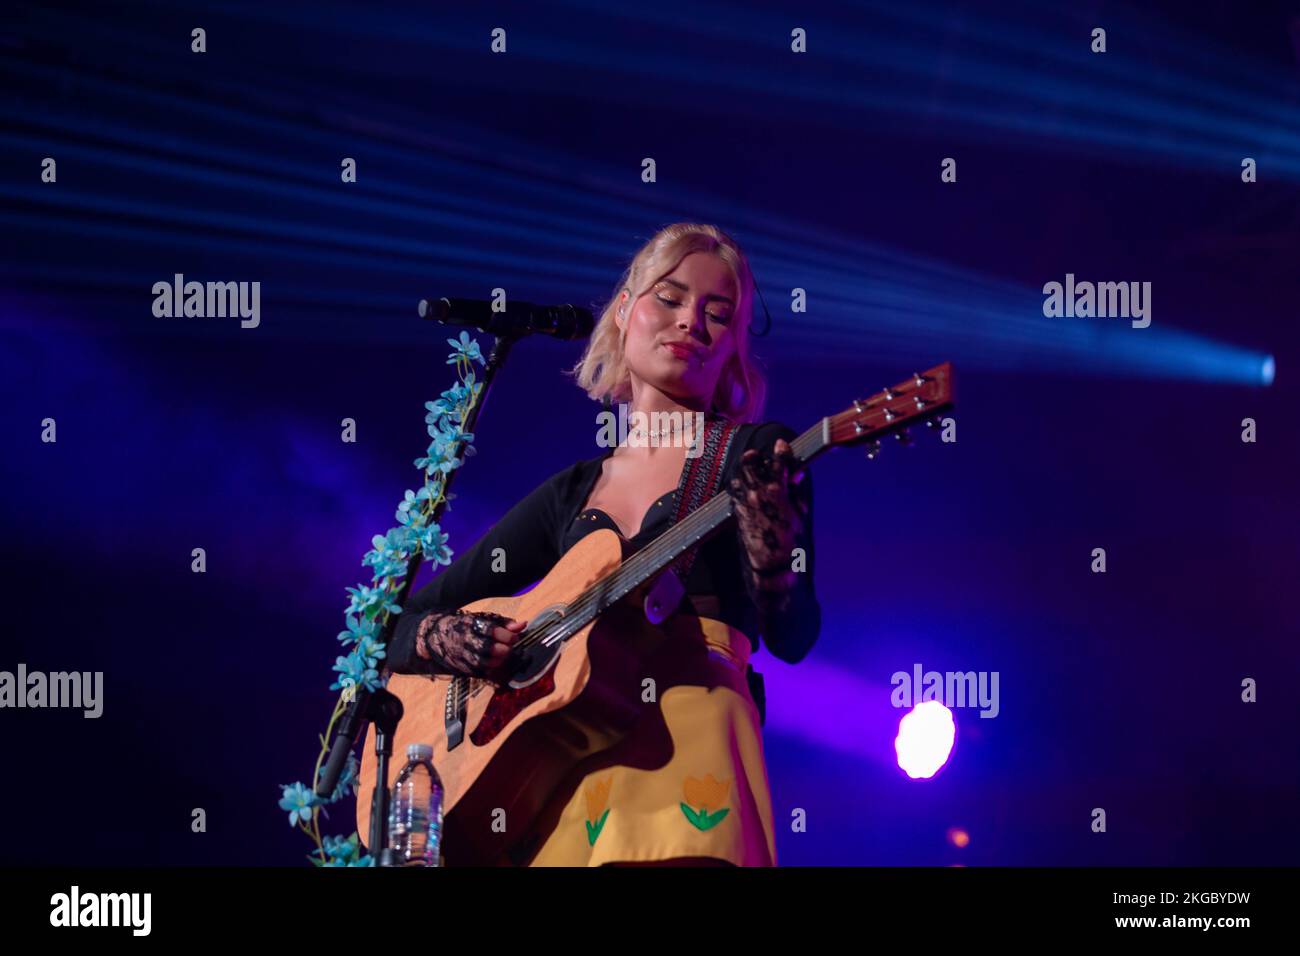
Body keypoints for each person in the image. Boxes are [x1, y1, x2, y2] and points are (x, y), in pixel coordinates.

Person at [386, 222, 821, 865]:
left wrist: (773, 554)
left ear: (732, 348)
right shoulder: (571, 492)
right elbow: (398, 625)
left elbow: (794, 637)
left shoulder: (753, 454)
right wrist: (457, 640)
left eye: (718, 315)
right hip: (565, 773)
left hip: (691, 751)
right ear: (624, 311)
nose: (690, 323)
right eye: (668, 298)